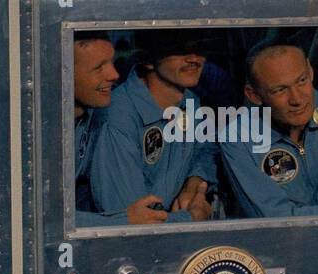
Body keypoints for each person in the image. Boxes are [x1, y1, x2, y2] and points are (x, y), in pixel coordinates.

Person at [90, 29, 217, 223]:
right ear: (148, 60)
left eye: (200, 49)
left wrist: (194, 184)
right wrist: (193, 217)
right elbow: (130, 220)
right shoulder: (118, 116)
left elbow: (204, 151)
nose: (194, 59)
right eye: (181, 50)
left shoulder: (190, 101)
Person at [219, 42, 318, 217]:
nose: (297, 99)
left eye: (302, 80)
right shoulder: (238, 138)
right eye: (280, 90)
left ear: (310, 71)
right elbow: (276, 218)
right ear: (254, 95)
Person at [71, 33, 166, 226]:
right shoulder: (34, 135)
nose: (114, 75)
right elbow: (40, 219)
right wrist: (122, 220)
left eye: (111, 63)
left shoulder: (93, 119)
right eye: (99, 67)